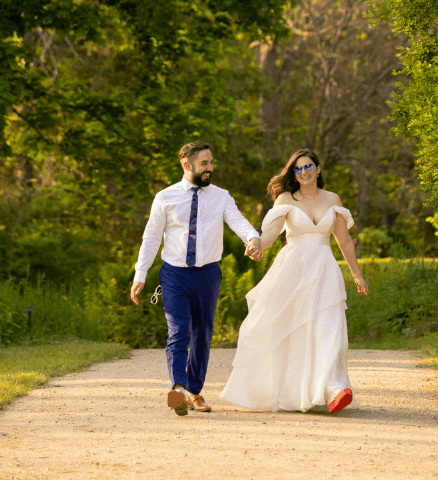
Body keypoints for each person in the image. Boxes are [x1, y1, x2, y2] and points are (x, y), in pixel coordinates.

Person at [220, 147, 368, 414]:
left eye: (308, 166)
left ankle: (333, 389)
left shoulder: (332, 198)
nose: (303, 172)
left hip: (324, 268)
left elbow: (344, 240)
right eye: (298, 169)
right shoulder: (285, 199)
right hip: (293, 269)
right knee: (293, 329)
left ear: (318, 169)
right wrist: (257, 246)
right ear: (293, 173)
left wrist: (357, 274)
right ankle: (296, 392)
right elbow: (270, 234)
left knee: (329, 327)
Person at [130, 140, 263, 416]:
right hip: (174, 274)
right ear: (186, 165)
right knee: (178, 331)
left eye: (211, 162)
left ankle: (194, 392)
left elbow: (238, 221)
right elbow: (152, 237)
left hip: (208, 274)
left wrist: (253, 238)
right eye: (204, 163)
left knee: (202, 334)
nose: (210, 168)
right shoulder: (165, 197)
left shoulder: (221, 196)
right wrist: (140, 274)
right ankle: (178, 390)